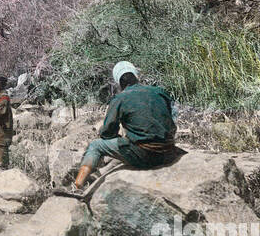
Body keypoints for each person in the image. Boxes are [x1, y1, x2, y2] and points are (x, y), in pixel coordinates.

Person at [58, 61, 180, 197]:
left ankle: (77, 186)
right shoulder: (159, 92)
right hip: (168, 153)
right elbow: (169, 120)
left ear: (119, 83)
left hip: (146, 156)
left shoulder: (120, 99)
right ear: (136, 76)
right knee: (126, 144)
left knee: (96, 146)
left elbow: (107, 133)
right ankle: (100, 173)